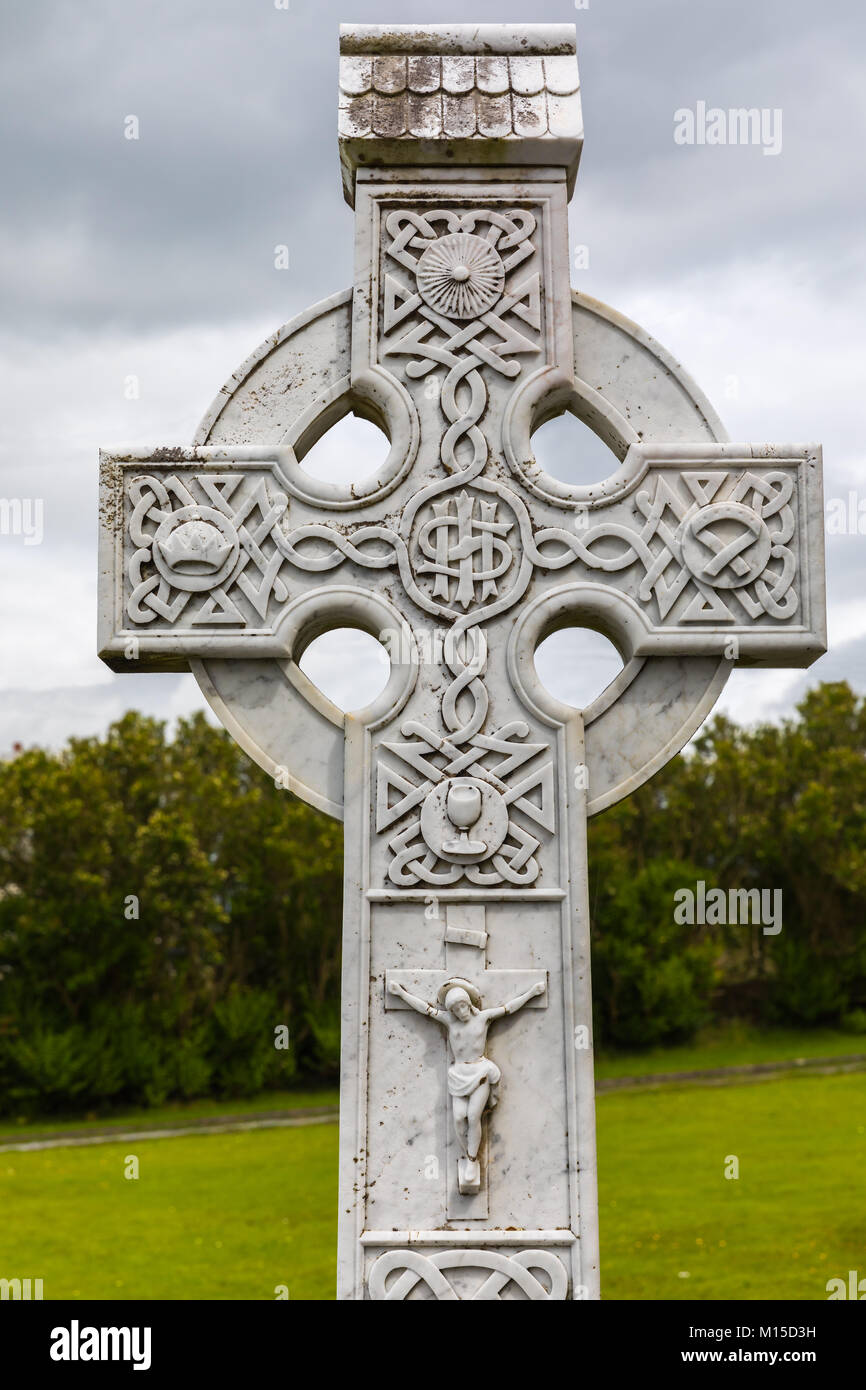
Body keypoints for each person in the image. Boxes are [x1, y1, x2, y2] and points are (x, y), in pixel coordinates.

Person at [388, 975, 545, 1166]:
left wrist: (532, 993)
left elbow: (509, 1008)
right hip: (458, 1074)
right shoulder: (450, 1021)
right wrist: (401, 993)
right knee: (459, 1119)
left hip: (480, 1072)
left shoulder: (484, 1018)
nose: (460, 1012)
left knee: (472, 1116)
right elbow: (425, 1010)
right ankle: (470, 1154)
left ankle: (471, 1161)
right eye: (455, 1009)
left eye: (462, 1006)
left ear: (468, 1004)